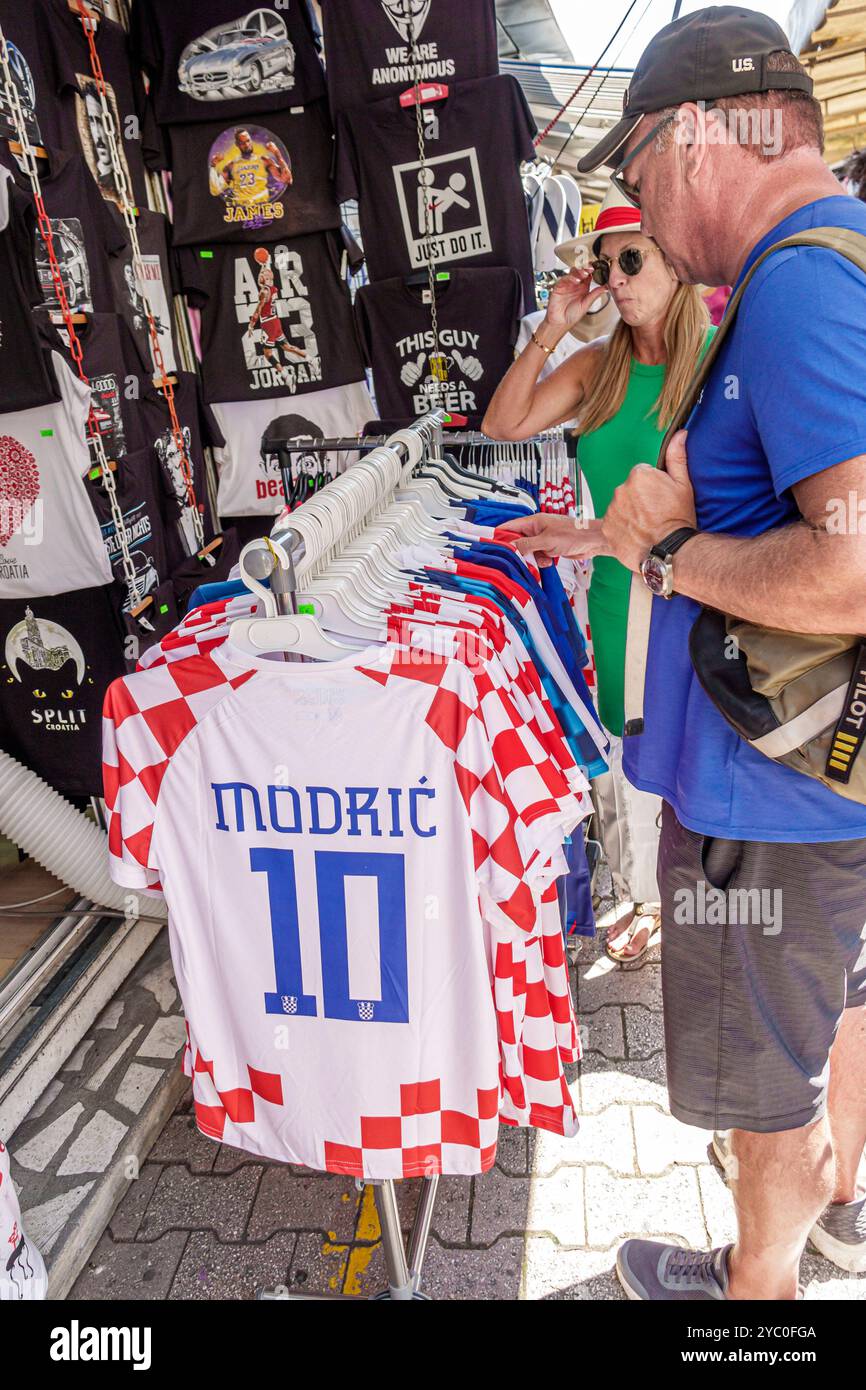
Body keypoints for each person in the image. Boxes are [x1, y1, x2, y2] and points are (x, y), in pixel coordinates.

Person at [506, 6, 866, 1300]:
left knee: (760, 1080)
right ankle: (827, 1220)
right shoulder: (817, 271)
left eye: (643, 170)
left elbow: (853, 564)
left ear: (704, 133)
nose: (644, 211)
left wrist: (661, 553)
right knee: (827, 1008)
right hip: (806, 789)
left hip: (768, 809)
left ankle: (751, 1297)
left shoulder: (799, 283)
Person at [483, 183, 714, 963]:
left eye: (630, 258)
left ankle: (703, 896)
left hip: (707, 598)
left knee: (704, 752)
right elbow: (502, 424)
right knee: (625, 760)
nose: (614, 277)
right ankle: (641, 891)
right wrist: (552, 327)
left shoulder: (719, 361)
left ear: (676, 263)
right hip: (620, 601)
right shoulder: (599, 365)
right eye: (603, 262)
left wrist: (592, 535)